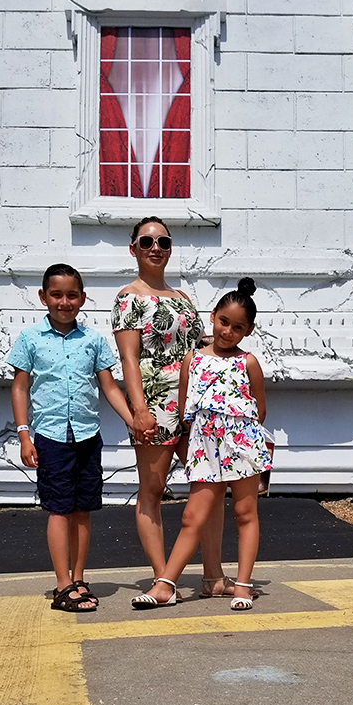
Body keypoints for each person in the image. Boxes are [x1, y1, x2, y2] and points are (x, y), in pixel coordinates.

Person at [131, 277, 272, 611]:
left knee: (244, 513)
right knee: (192, 516)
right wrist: (206, 436)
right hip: (205, 446)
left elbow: (259, 408)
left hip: (242, 446)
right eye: (224, 322)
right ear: (213, 316)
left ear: (248, 330)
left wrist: (238, 437)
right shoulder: (192, 359)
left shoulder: (248, 362)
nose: (228, 331)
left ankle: (242, 586)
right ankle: (165, 585)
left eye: (238, 327)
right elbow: (184, 407)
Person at [112, 217, 234, 597]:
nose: (156, 249)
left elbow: (202, 347)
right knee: (152, 489)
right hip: (154, 403)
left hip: (195, 404)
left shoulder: (182, 299)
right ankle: (163, 576)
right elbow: (129, 359)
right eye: (147, 242)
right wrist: (139, 410)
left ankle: (213, 577)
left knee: (210, 487)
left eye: (163, 242)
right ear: (133, 249)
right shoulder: (127, 297)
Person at [9, 263, 134, 612]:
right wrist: (23, 435)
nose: (64, 302)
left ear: (82, 298)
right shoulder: (30, 339)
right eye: (56, 295)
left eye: (72, 295)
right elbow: (20, 387)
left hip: (87, 436)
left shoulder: (93, 340)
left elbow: (108, 386)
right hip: (50, 437)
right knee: (59, 510)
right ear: (43, 297)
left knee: (83, 511)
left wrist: (132, 420)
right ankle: (62, 583)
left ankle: (79, 578)